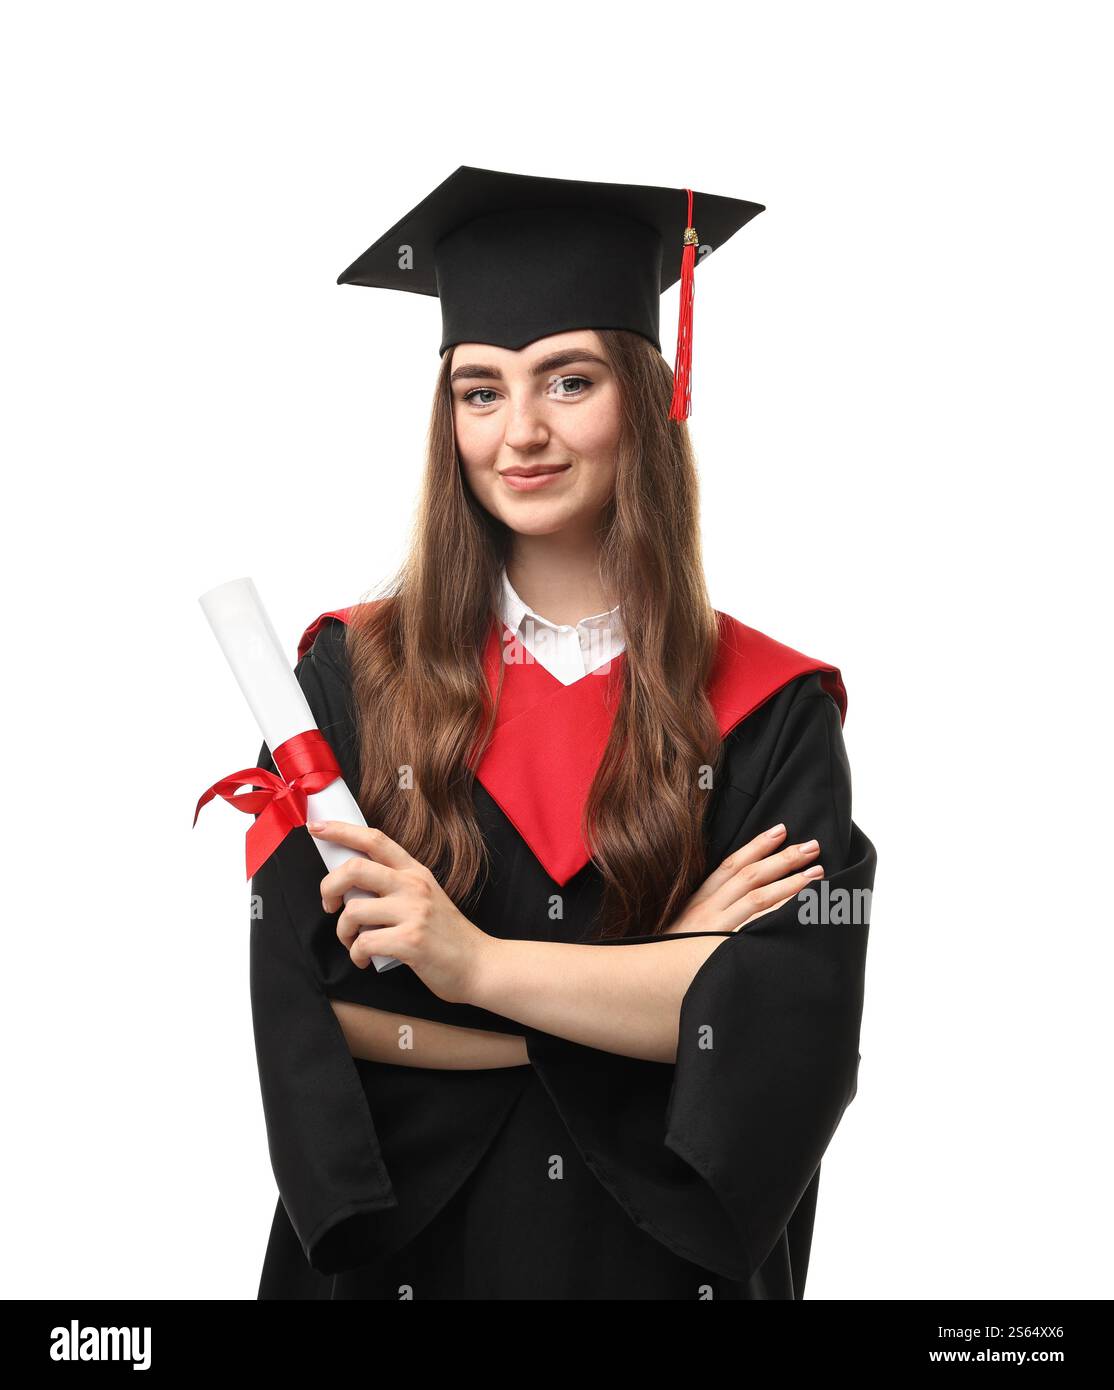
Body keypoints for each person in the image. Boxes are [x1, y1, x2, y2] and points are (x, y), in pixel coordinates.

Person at [229, 167, 876, 1300]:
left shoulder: (774, 711)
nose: (518, 432)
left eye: (567, 381)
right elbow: (320, 1007)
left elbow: (782, 1042)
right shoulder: (348, 674)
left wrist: (468, 965)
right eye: (479, 392)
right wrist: (655, 986)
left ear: (648, 394)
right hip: (407, 1261)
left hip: (651, 1268)